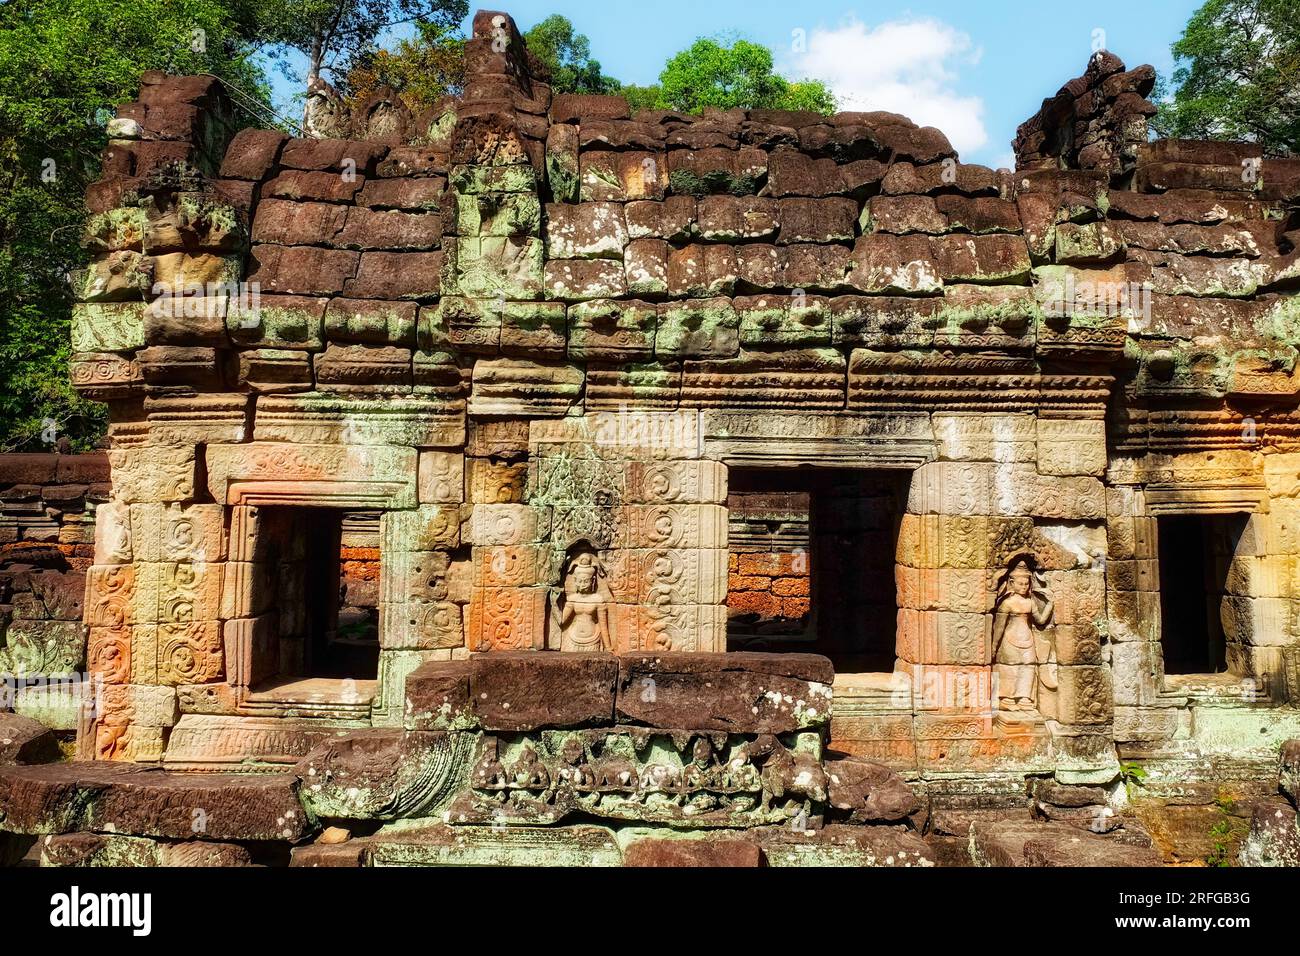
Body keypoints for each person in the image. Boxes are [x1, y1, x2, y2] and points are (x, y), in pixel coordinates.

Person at [991, 557, 1057, 717]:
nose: (1024, 587)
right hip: (1009, 640)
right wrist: (994, 646)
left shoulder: (1030, 602)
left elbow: (1040, 620)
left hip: (1028, 641)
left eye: (1026, 584)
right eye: (1020, 584)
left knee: (1028, 668)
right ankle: (1007, 699)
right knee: (1011, 669)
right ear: (1011, 583)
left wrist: (1049, 604)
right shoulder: (1007, 603)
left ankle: (1024, 698)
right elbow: (999, 627)